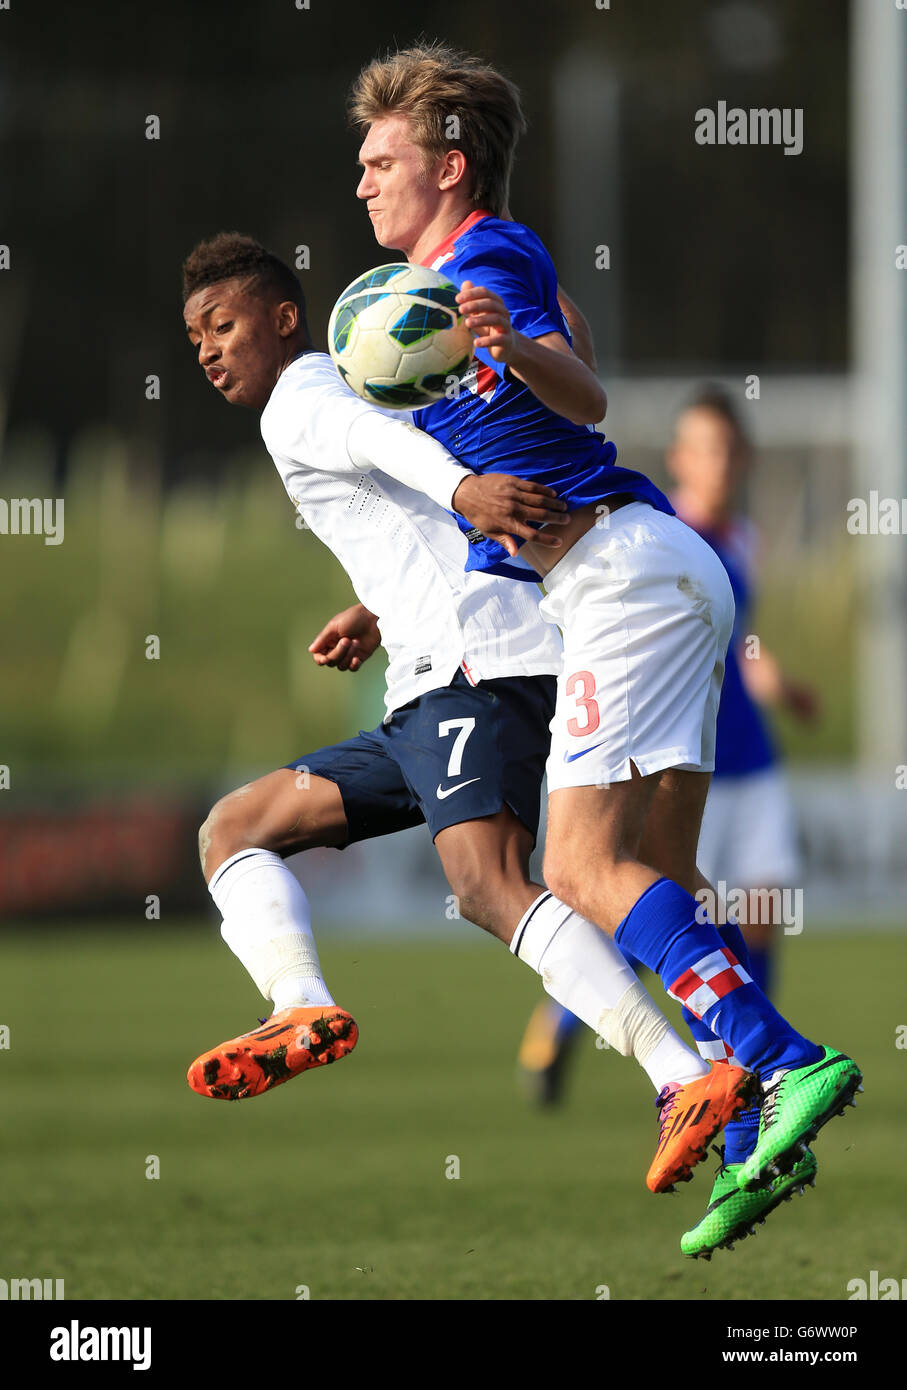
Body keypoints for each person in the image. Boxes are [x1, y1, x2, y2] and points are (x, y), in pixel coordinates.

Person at [345, 41, 861, 1203]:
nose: (365, 181)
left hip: (623, 578)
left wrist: (510, 344)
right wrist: (378, 599)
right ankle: (747, 1142)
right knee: (656, 884)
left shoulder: (482, 260)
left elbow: (582, 390)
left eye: (383, 159)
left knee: (573, 867)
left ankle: (787, 1057)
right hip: (664, 574)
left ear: (451, 164)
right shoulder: (447, 302)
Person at [179, 232, 753, 1193]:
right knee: (234, 830)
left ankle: (683, 1074)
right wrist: (377, 603)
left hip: (481, 668)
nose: (205, 349)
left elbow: (385, 448)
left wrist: (464, 490)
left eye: (222, 325)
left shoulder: (302, 400)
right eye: (195, 335)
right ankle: (301, 1005)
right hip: (425, 683)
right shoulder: (345, 386)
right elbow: (405, 486)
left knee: (491, 884)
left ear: (283, 319)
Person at [517, 384, 822, 1255]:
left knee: (739, 914)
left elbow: (744, 648)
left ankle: (756, 1097)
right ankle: (572, 1018)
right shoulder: (653, 531)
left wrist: (774, 684)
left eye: (731, 450)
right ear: (683, 459)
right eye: (705, 449)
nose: (719, 464)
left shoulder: (736, 544)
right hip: (667, 738)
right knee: (641, 892)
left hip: (743, 757)